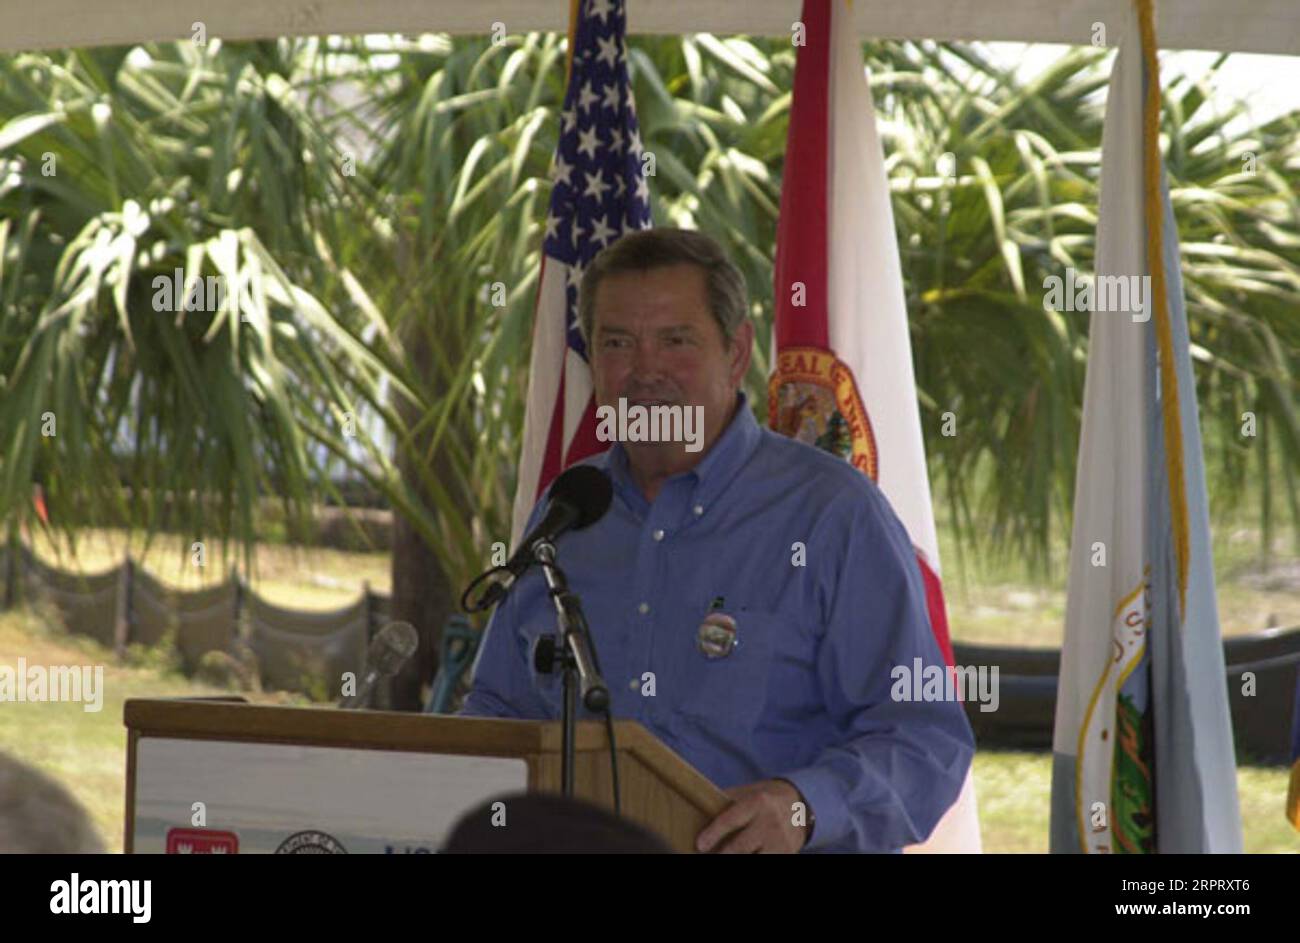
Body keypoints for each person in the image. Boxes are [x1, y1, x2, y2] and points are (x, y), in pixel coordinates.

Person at [461, 228, 974, 853]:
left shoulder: (832, 516)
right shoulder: (570, 512)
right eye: (617, 342)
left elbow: (925, 742)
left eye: (675, 341)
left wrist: (802, 805)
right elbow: (495, 714)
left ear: (735, 354)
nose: (644, 371)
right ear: (591, 360)